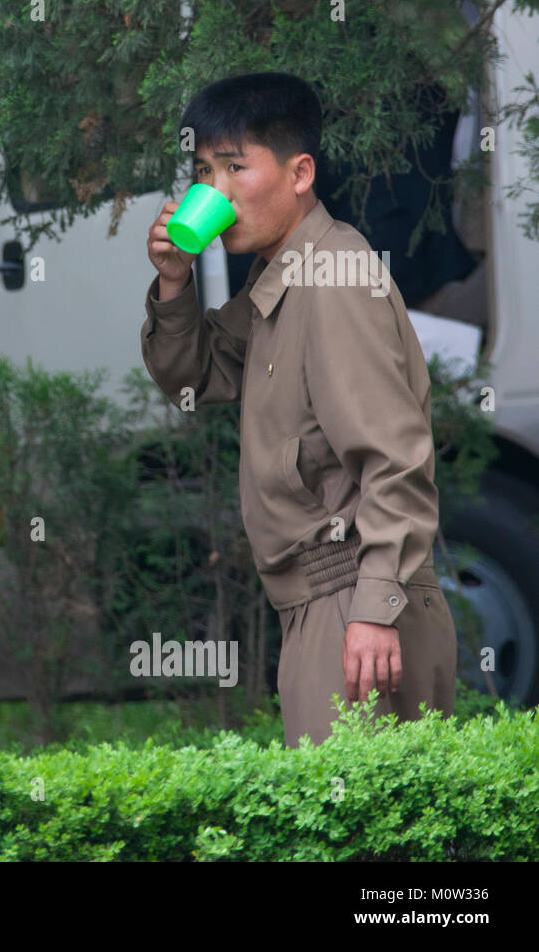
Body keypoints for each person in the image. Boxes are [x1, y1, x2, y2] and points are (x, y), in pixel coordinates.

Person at [140, 72, 457, 747]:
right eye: (203, 171)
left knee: (365, 845)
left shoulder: (335, 278)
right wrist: (174, 282)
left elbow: (395, 458)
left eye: (235, 167)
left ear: (300, 172)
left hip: (358, 603)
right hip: (323, 608)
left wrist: (373, 609)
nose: (214, 191)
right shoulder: (284, 276)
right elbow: (193, 375)